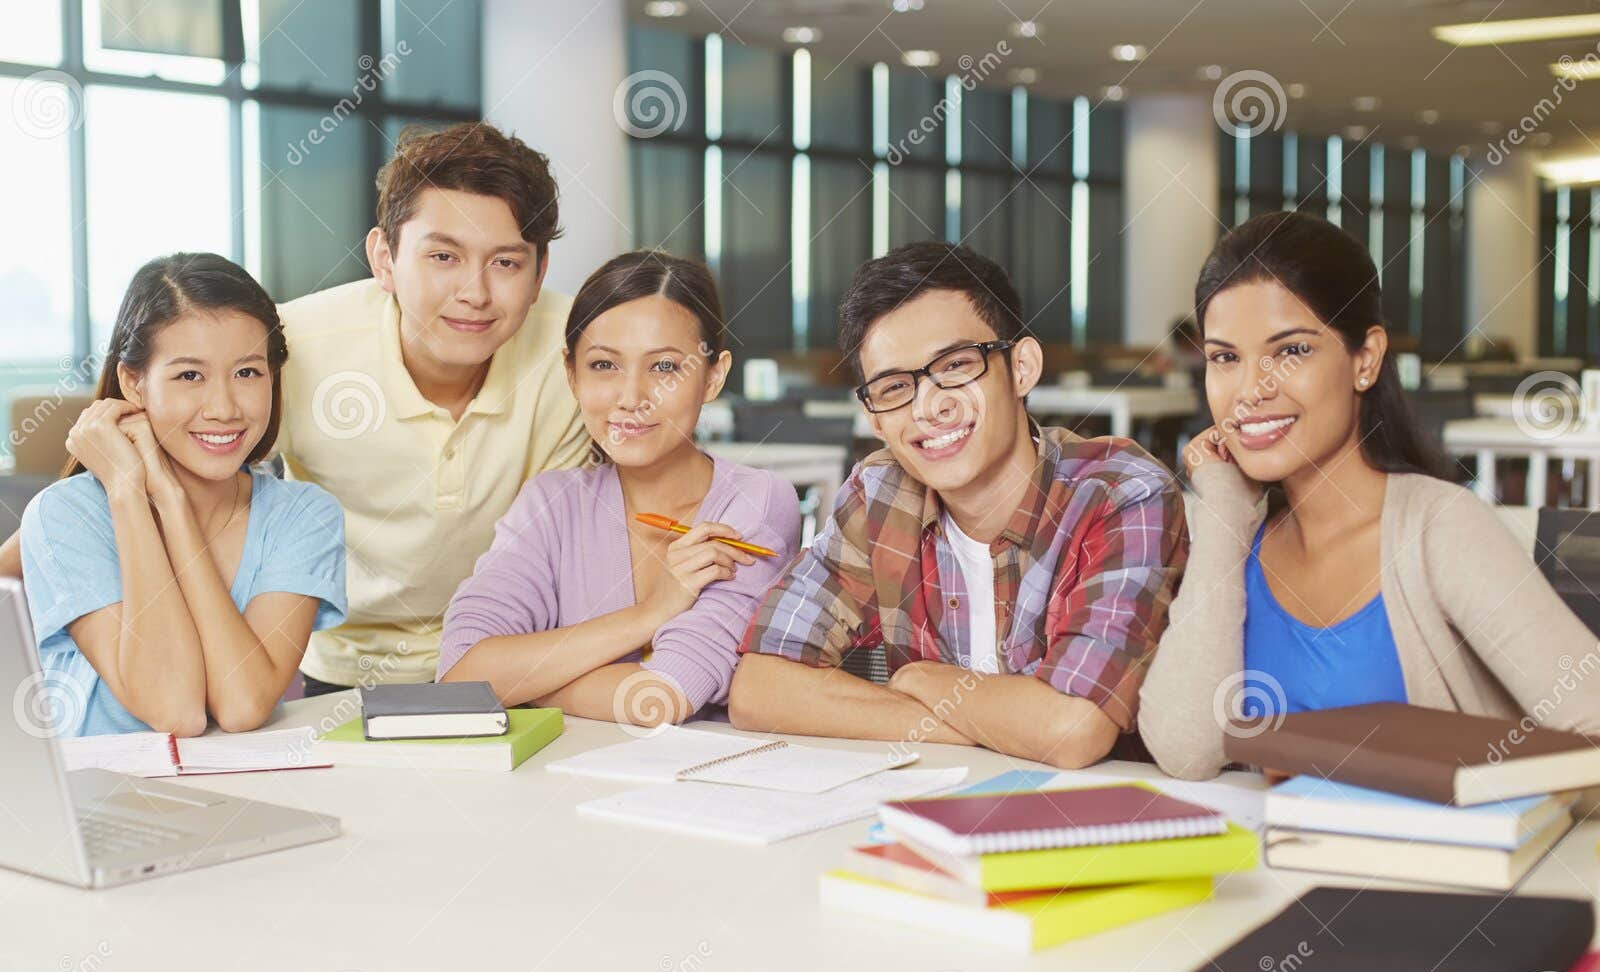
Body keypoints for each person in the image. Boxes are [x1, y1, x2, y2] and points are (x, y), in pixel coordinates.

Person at [0, 123, 589, 698]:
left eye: (506, 263)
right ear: (384, 257)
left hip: (507, 661)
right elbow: (149, 463)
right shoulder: (290, 346)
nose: (475, 292)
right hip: (337, 668)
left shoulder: (585, 353)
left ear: (539, 274)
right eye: (443, 257)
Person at [1137, 210, 1600, 779]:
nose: (1250, 391)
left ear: (1366, 359)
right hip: (1276, 866)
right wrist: (1226, 510)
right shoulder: (1234, 538)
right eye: (1225, 358)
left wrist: (1344, 758)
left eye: (1291, 351)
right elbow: (1188, 752)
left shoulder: (1439, 529)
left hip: (1426, 865)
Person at [729, 242, 1188, 769]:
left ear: (1022, 367)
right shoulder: (880, 493)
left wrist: (920, 679)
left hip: (1098, 824)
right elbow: (760, 687)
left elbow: (1072, 728)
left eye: (955, 365)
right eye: (895, 386)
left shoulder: (1119, 494)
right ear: (876, 420)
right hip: (934, 809)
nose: (929, 405)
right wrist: (996, 726)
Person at [436, 251, 800, 725]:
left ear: (714, 375)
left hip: (697, 788)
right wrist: (652, 613)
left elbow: (660, 700)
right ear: (572, 375)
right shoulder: (550, 503)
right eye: (604, 366)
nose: (631, 397)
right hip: (552, 787)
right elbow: (460, 679)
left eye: (666, 368)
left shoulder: (757, 501)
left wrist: (520, 686)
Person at [19, 254, 345, 738]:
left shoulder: (304, 516)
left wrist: (171, 504)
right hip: (97, 799)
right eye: (190, 376)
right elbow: (175, 710)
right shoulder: (66, 516)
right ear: (134, 383)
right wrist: (130, 494)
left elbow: (242, 704)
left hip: (243, 799)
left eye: (248, 373)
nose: (224, 408)